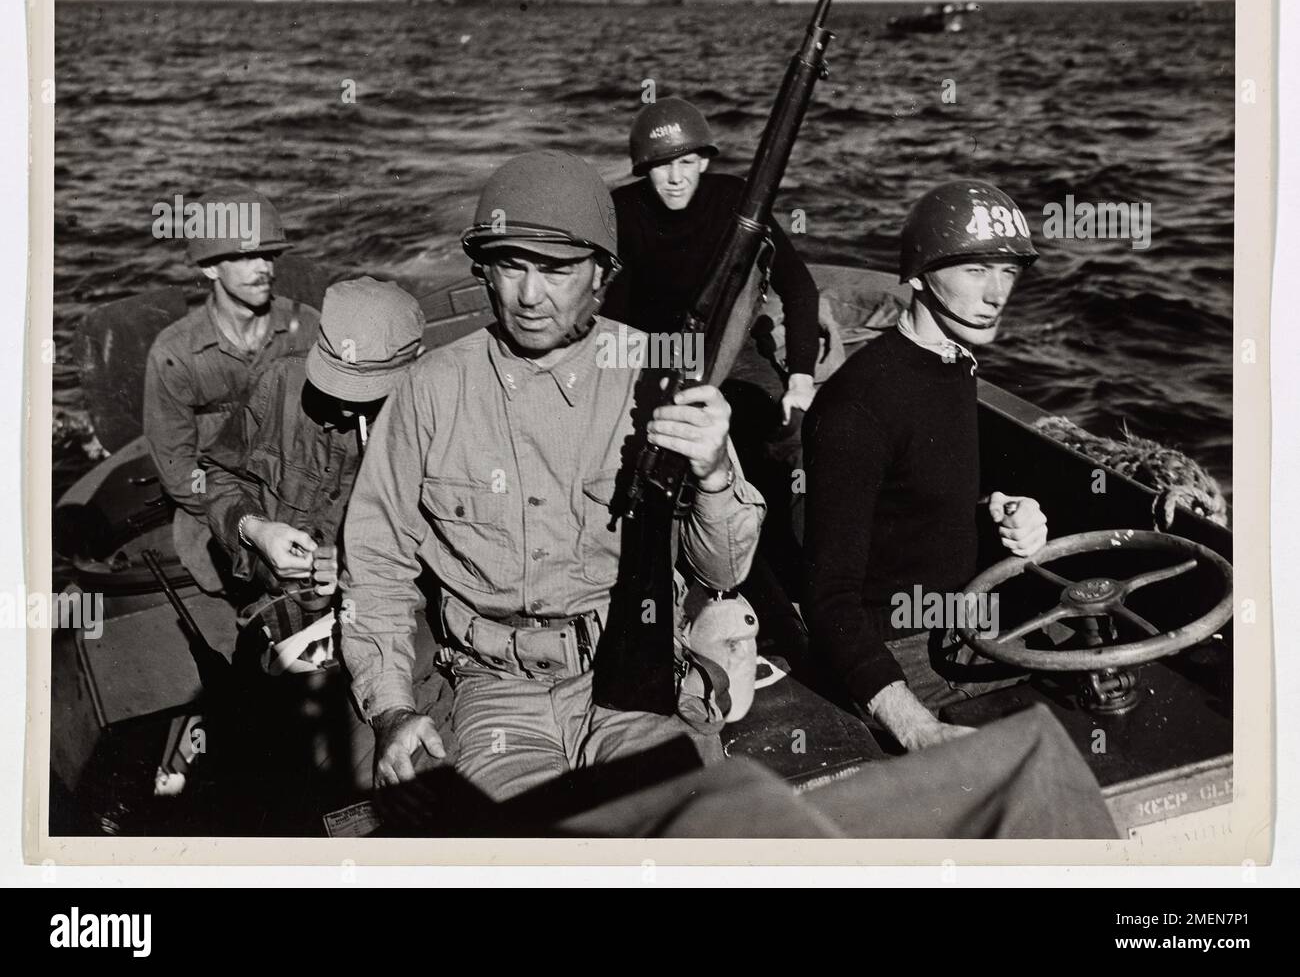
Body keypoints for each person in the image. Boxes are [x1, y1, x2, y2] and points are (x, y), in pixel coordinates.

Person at [340, 150, 766, 797]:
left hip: (640, 674)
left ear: (601, 274)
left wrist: (710, 474)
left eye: (558, 268)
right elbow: (376, 564)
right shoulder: (431, 391)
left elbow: (723, 572)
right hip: (493, 691)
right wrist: (393, 708)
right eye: (511, 264)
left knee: (674, 831)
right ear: (484, 271)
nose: (530, 294)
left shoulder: (658, 375)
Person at [801, 180, 1050, 752]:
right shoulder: (856, 408)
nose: (996, 294)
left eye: (1007, 272)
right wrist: (917, 729)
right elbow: (829, 599)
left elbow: (916, 498)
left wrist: (1002, 514)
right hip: (900, 651)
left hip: (967, 618)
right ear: (918, 276)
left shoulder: (952, 363)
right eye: (974, 271)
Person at [201, 276, 424, 605]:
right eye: (335, 382)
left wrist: (359, 565)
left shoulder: (438, 421)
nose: (346, 407)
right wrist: (256, 530)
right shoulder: (278, 384)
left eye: (367, 391)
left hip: (389, 607)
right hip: (279, 596)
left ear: (417, 360)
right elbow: (220, 474)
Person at [602, 97, 822, 424]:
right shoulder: (621, 211)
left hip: (727, 346)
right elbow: (611, 316)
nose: (676, 178)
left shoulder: (735, 201)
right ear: (645, 168)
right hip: (650, 347)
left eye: (687, 162)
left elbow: (798, 286)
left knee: (786, 425)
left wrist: (801, 379)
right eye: (662, 165)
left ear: (704, 162)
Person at [143, 186, 319, 591]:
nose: (263, 268)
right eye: (243, 256)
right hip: (213, 509)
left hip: (299, 491)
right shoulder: (176, 354)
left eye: (268, 254)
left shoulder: (306, 327)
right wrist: (250, 520)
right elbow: (178, 470)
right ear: (209, 268)